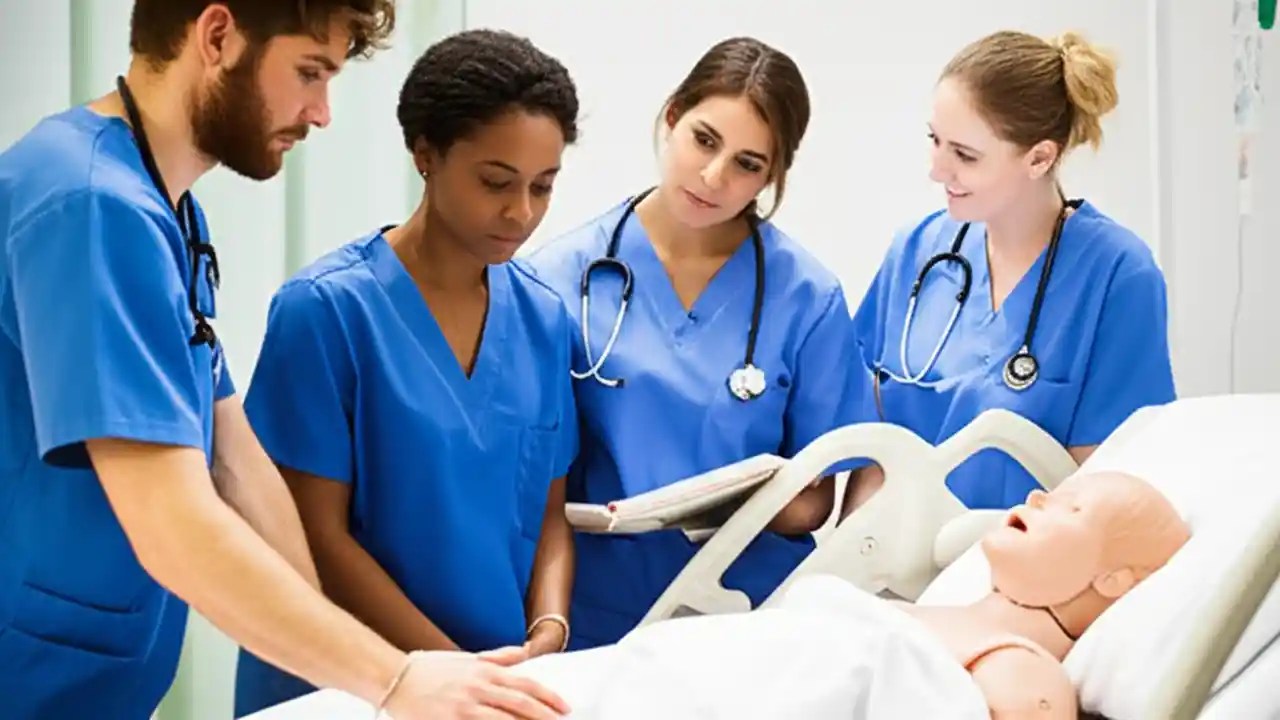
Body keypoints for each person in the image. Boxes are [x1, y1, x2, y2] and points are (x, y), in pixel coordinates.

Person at [0, 4, 567, 720]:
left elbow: (235, 461)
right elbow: (173, 520)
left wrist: (357, 678)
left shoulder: (165, 210)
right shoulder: (88, 205)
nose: (322, 112)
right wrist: (394, 679)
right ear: (217, 36)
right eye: (309, 72)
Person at [233, 28, 582, 716]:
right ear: (425, 155)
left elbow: (549, 510)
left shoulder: (544, 319)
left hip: (494, 680)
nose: (522, 213)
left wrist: (549, 630)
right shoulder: (328, 312)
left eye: (543, 187)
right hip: (348, 681)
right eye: (495, 182)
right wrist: (446, 674)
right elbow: (313, 537)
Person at [523, 37, 868, 650]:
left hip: (749, 615)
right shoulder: (559, 277)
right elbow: (523, 470)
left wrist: (734, 504)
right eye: (704, 140)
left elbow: (815, 501)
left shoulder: (806, 297)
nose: (714, 177)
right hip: (593, 610)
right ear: (673, 116)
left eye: (748, 164)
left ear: (774, 174)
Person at [495, 470, 1190, 719]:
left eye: (1071, 510)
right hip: (661, 675)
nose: (1039, 494)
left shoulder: (1023, 666)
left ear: (1114, 581)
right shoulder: (936, 610)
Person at [845, 30, 1176, 512]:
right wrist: (858, 567)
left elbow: (1107, 482)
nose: (937, 170)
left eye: (964, 154)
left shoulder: (1117, 275)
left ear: (1039, 157)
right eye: (935, 140)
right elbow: (869, 442)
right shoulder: (916, 252)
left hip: (1028, 570)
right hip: (891, 564)